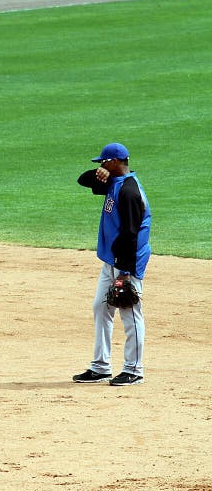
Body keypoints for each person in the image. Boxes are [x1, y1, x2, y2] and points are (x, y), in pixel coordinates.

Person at [73, 143, 151, 386]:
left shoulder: (129, 192)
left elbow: (131, 234)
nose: (100, 166)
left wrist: (124, 273)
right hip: (111, 260)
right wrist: (99, 175)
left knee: (129, 311)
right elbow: (82, 180)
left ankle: (134, 369)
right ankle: (100, 367)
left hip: (127, 262)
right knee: (101, 307)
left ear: (114, 162)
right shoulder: (114, 181)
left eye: (103, 163)